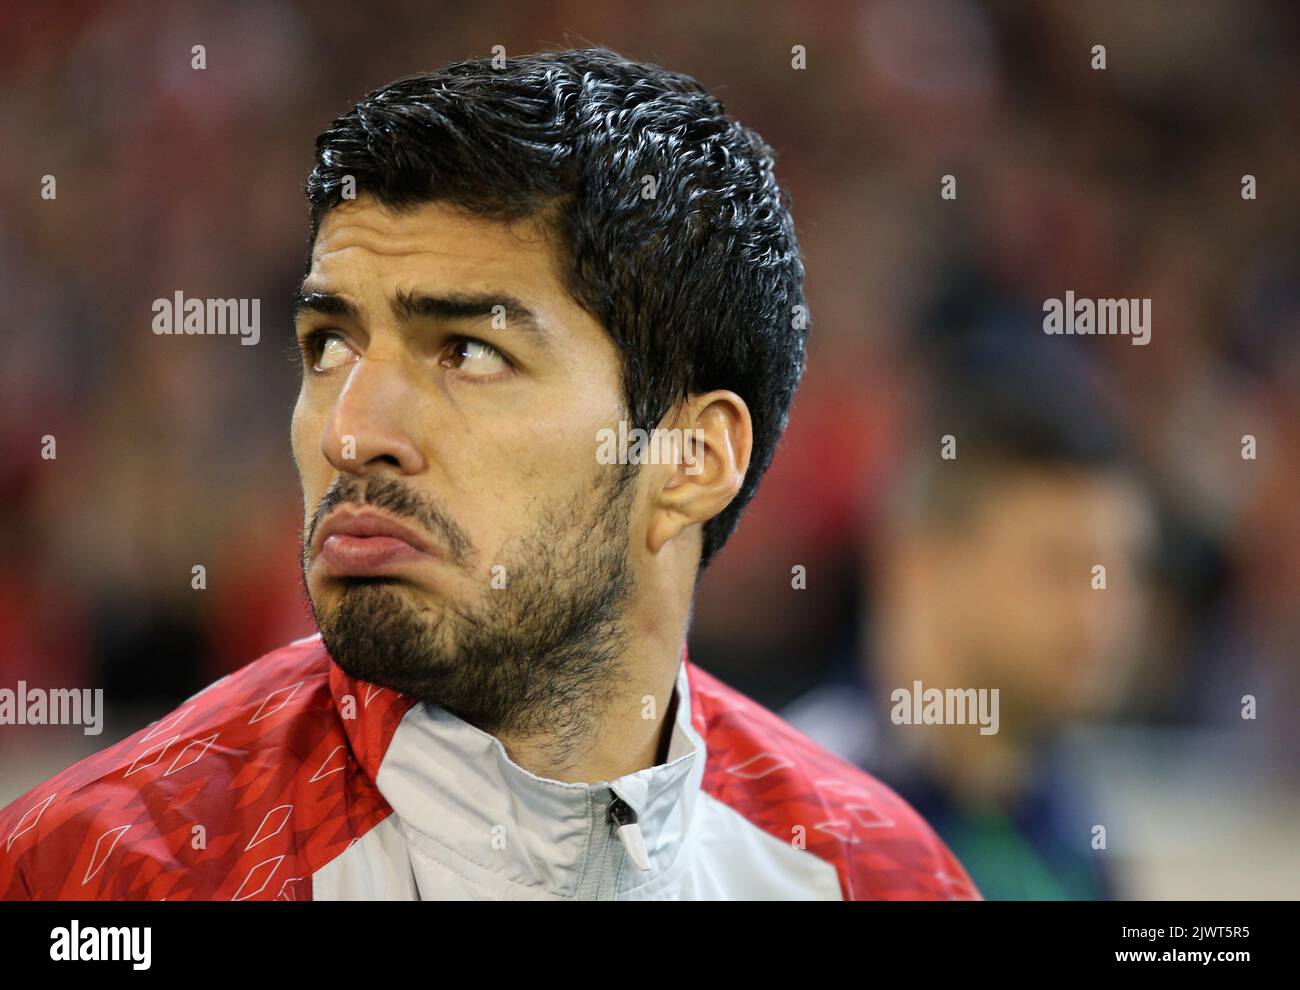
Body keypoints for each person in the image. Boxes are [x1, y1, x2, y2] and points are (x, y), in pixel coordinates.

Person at [0, 48, 976, 901]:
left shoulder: (877, 879)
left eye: (466, 352)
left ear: (691, 459)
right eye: (330, 345)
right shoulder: (98, 874)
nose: (352, 433)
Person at [783, 340, 1155, 899]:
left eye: (1119, 570)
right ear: (921, 565)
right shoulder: (793, 808)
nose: (1101, 612)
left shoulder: (1078, 838)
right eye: (1058, 566)